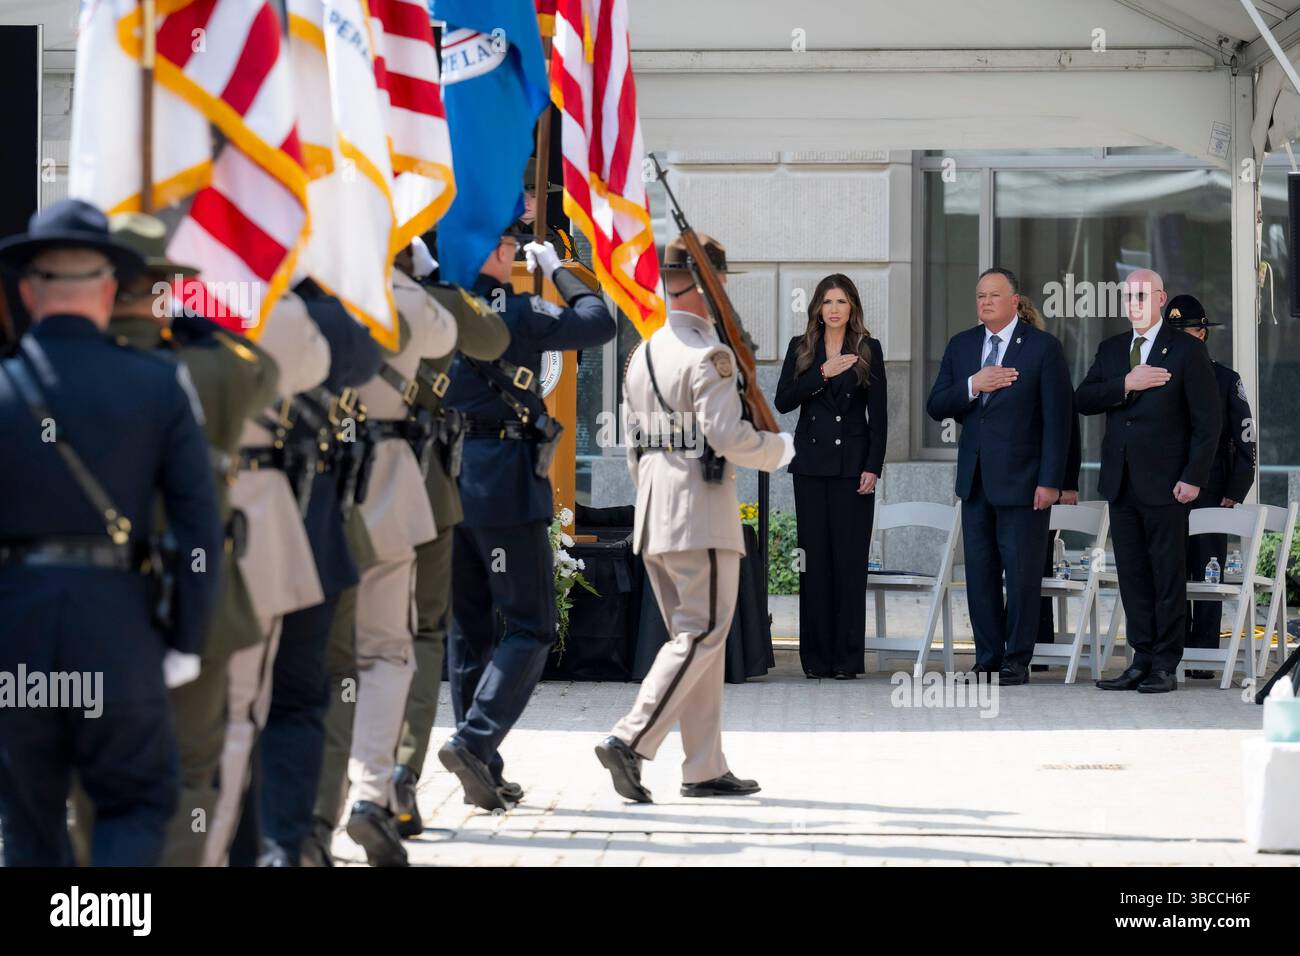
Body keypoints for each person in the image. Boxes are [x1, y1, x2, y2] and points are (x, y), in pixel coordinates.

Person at [0, 199, 223, 865]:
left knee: (30, 821)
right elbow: (200, 529)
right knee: (133, 802)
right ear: (105, 289)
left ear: (30, 291)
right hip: (117, 630)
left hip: (16, 633)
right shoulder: (158, 385)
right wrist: (188, 638)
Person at [97, 213, 279, 867]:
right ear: (162, 290)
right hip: (195, 599)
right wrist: (212, 333)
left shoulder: (58, 368)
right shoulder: (214, 367)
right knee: (191, 767)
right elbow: (266, 375)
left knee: (101, 774)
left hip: (89, 598)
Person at [595, 233, 793, 803]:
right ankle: (630, 739)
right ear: (708, 287)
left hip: (656, 512)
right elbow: (729, 438)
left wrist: (657, 496)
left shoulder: (642, 354)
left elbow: (636, 449)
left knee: (697, 638)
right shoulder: (712, 356)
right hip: (700, 510)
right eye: (721, 283)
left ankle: (704, 766)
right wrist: (779, 450)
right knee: (702, 632)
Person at [439, 229, 615, 811]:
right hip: (505, 483)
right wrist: (560, 268)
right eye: (510, 245)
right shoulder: (518, 308)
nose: (516, 253)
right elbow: (597, 320)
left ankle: (481, 767)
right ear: (493, 253)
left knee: (470, 629)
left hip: (449, 478)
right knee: (531, 624)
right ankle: (474, 738)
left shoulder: (435, 308)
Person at [331, 248, 460, 867]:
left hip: (301, 495)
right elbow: (452, 332)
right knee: (385, 650)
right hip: (383, 487)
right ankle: (371, 795)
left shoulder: (287, 291)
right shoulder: (408, 298)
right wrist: (427, 274)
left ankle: (306, 823)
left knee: (315, 667)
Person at [255, 277, 383, 866]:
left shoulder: (191, 294)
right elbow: (366, 354)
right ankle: (300, 834)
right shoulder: (323, 315)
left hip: (211, 536)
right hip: (311, 529)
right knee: (311, 691)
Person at [204, 289, 331, 865]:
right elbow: (327, 361)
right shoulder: (277, 308)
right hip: (250, 516)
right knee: (238, 707)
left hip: (140, 529)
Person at [393, 244, 511, 838]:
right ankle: (395, 782)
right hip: (423, 489)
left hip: (333, 494)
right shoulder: (436, 301)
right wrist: (442, 279)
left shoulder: (330, 295)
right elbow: (492, 338)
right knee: (420, 634)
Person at [926, 267, 1072, 684]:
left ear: (1014, 301)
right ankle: (987, 656)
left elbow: (1057, 421)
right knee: (980, 573)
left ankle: (1016, 660)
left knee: (1023, 574)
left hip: (1026, 484)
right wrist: (975, 383)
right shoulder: (963, 346)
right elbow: (937, 404)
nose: (985, 302)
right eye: (979, 296)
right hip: (975, 482)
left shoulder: (1042, 348)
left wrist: (1051, 481)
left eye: (993, 295)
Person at [1076, 269, 1220, 694]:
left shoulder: (1185, 351)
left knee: (1166, 575)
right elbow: (1083, 399)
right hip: (1121, 484)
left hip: (1168, 484)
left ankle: (1165, 663)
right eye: (1128, 296)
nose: (1133, 302)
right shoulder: (1113, 349)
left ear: (1160, 299)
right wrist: (1125, 383)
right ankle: (1139, 659)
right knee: (1133, 576)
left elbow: (1207, 422)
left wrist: (1194, 477)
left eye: (1141, 294)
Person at [774, 273, 887, 679]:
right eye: (827, 302)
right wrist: (822, 373)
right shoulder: (801, 348)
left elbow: (880, 416)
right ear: (818, 309)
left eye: (841, 301)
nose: (834, 309)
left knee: (849, 563)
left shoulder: (868, 349)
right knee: (815, 564)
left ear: (852, 307)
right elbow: (784, 400)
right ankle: (816, 659)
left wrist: (873, 465)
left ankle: (847, 660)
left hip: (853, 470)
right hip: (810, 469)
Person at [1163, 293, 1256, 680]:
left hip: (1213, 491)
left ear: (1202, 334)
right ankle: (1171, 650)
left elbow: (1246, 440)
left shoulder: (1224, 379)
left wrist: (1235, 490)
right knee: (1170, 571)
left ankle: (1202, 654)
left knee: (1208, 573)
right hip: (1165, 491)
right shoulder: (1158, 375)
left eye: (1186, 332)